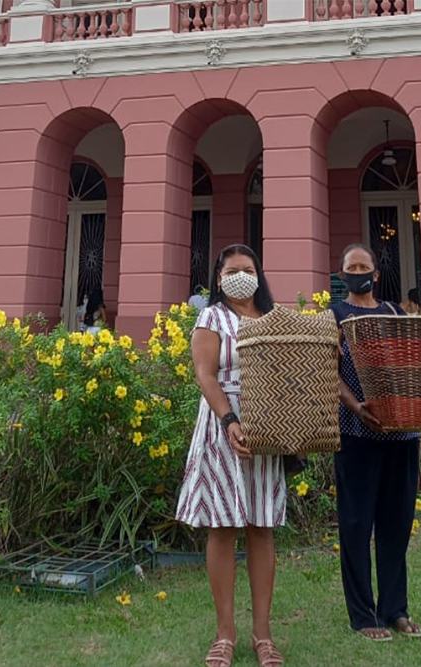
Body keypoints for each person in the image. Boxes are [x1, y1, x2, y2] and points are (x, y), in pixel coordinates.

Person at [175, 244, 285, 667]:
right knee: (222, 526)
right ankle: (225, 634)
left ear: (259, 274)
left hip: (267, 429)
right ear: (219, 278)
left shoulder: (273, 319)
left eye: (248, 268)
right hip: (224, 426)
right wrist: (228, 420)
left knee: (261, 526)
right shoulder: (212, 317)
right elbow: (204, 373)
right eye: (232, 270)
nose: (241, 275)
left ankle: (263, 635)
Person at [330, 243, 421, 642]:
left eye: (363, 266)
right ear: (342, 274)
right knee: (356, 525)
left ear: (376, 274)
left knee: (396, 526)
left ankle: (395, 610)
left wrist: (418, 453)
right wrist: (355, 406)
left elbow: (412, 370)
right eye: (351, 267)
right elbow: (326, 372)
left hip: (401, 435)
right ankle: (363, 616)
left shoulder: (394, 313)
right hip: (356, 435)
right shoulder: (333, 315)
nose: (358, 272)